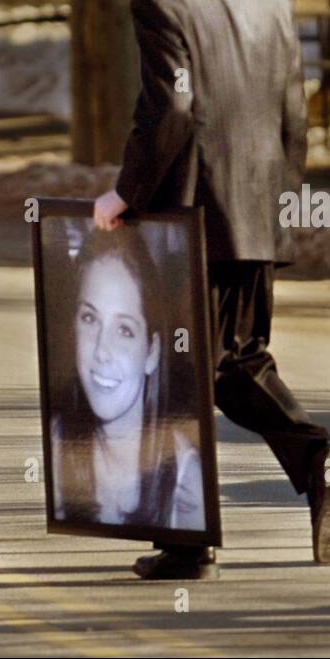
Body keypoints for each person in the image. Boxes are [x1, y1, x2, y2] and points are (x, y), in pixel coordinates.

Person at [93, 0, 330, 581]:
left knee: (180, 375)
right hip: (256, 217)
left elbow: (171, 112)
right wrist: (278, 197)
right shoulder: (273, 0)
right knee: (236, 364)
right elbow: (295, 119)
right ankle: (319, 461)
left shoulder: (160, 5)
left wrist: (125, 193)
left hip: (191, 223)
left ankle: (187, 543)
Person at [51, 226, 205, 533]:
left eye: (124, 329)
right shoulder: (55, 446)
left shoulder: (185, 482)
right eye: (89, 318)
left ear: (151, 352)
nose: (101, 351)